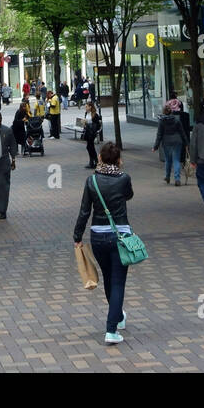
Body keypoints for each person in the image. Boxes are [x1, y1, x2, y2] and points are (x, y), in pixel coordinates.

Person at [73, 142, 136, 346]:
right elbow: (129, 195)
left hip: (98, 237)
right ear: (118, 160)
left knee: (109, 279)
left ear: (99, 158)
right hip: (120, 237)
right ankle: (111, 329)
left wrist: (77, 236)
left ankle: (117, 316)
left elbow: (84, 211)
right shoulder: (124, 178)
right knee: (118, 282)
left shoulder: (91, 181)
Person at [153, 98, 189, 186]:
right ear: (171, 112)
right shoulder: (176, 120)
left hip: (167, 142)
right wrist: (186, 143)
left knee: (168, 160)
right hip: (177, 141)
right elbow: (182, 132)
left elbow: (159, 135)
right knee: (176, 160)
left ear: (164, 112)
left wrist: (155, 146)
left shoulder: (162, 121)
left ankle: (167, 176)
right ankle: (177, 179)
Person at [81, 102, 103, 169]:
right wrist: (84, 123)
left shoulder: (95, 115)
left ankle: (95, 162)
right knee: (90, 147)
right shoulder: (86, 113)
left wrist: (88, 122)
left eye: (87, 107)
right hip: (87, 131)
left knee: (89, 147)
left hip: (92, 132)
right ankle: (93, 162)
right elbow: (86, 123)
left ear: (90, 107)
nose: (86, 108)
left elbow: (97, 125)